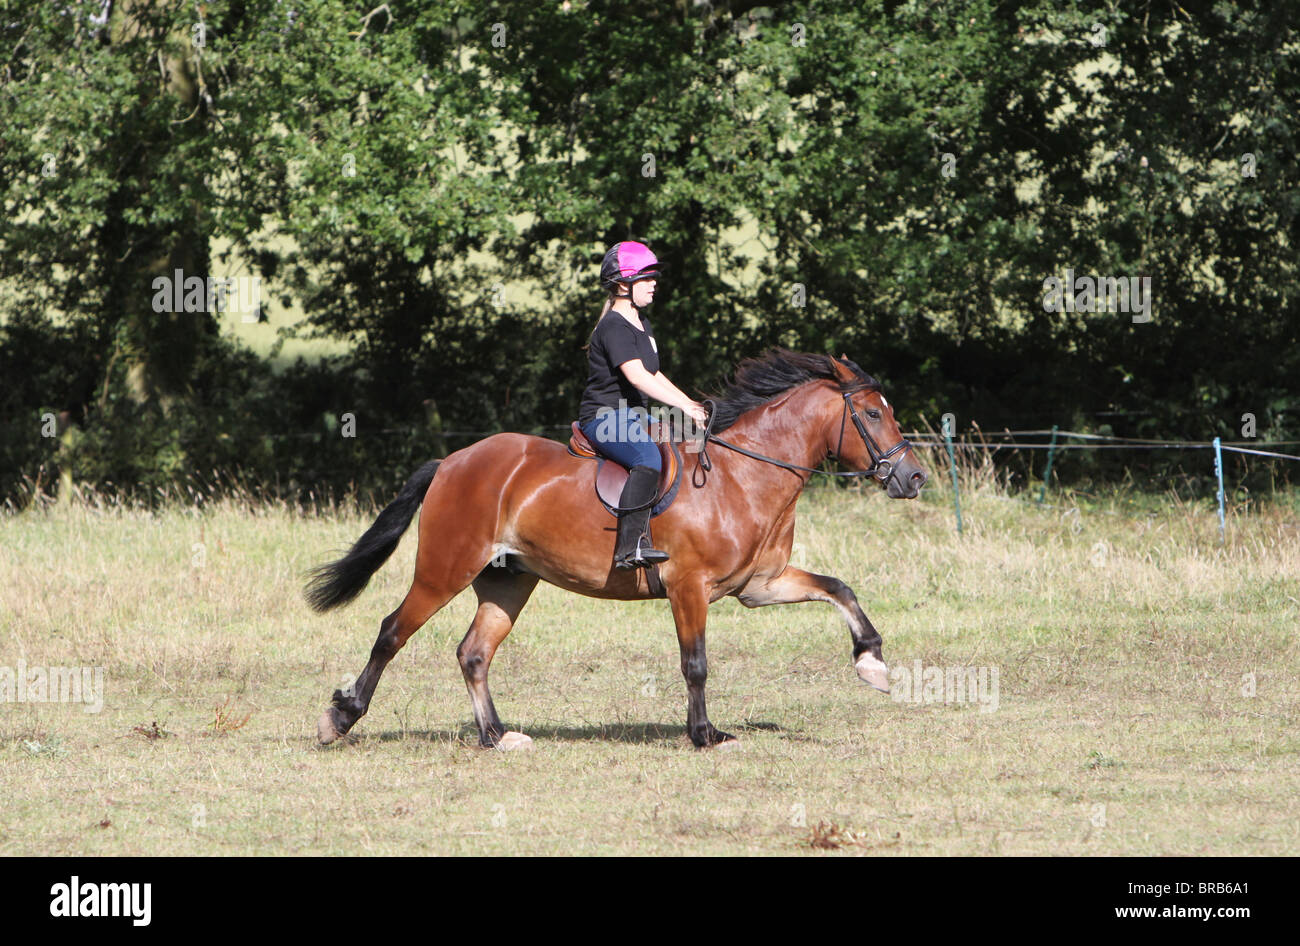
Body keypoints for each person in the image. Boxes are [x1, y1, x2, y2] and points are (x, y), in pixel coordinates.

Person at [578, 241, 709, 569]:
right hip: (605, 417)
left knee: (687, 442)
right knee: (647, 457)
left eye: (654, 278)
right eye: (646, 278)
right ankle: (628, 549)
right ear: (623, 284)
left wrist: (689, 404)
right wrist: (682, 405)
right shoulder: (613, 327)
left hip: (634, 416)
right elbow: (637, 378)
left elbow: (654, 373)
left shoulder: (640, 324)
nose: (654, 284)